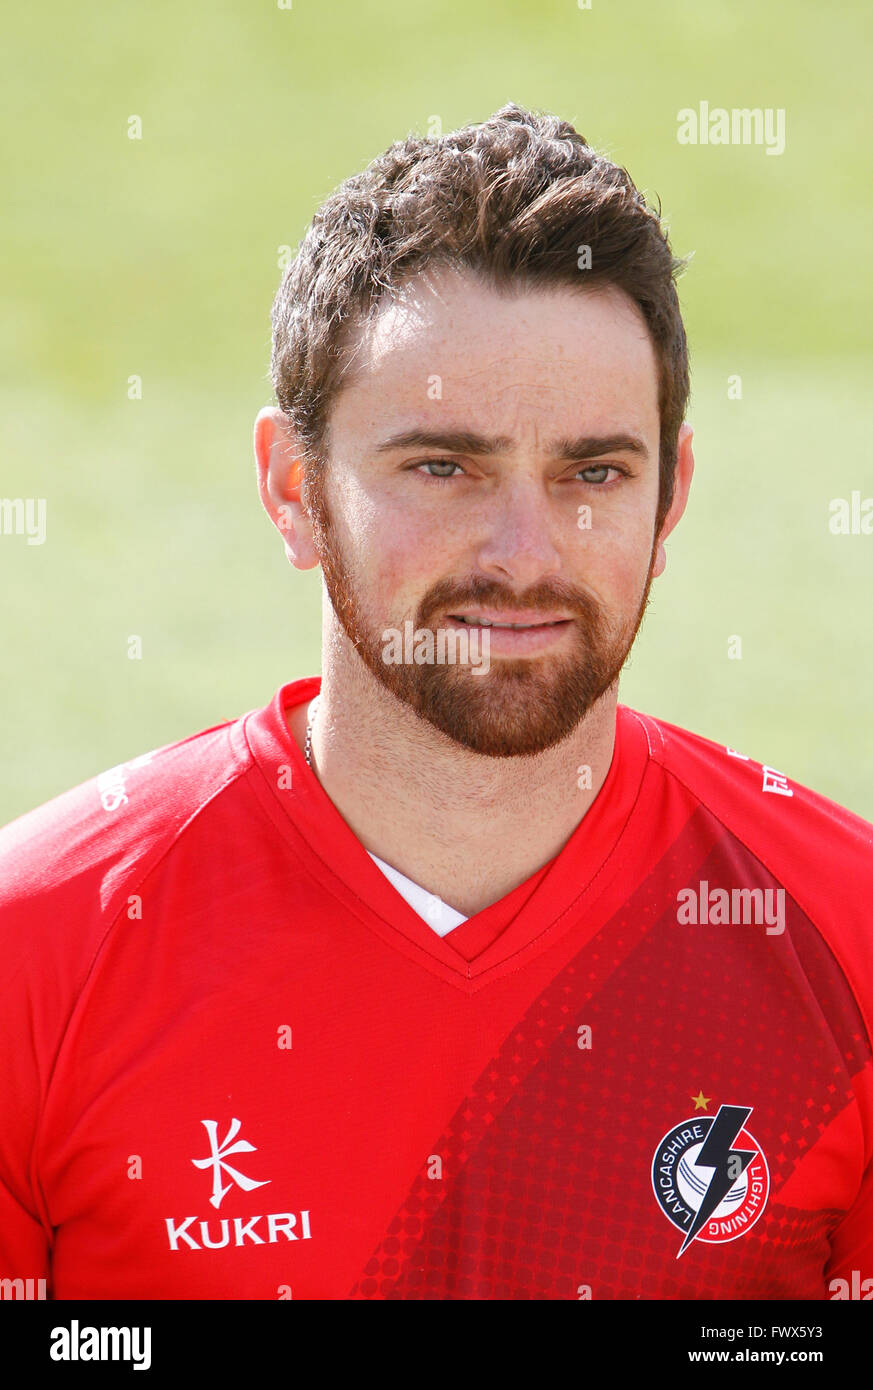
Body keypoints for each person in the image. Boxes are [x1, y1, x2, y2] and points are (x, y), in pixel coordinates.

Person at [1, 103, 870, 1302]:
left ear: (670, 501)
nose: (523, 552)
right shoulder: (37, 954)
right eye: (443, 466)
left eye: (593, 472)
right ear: (293, 489)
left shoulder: (847, 943)